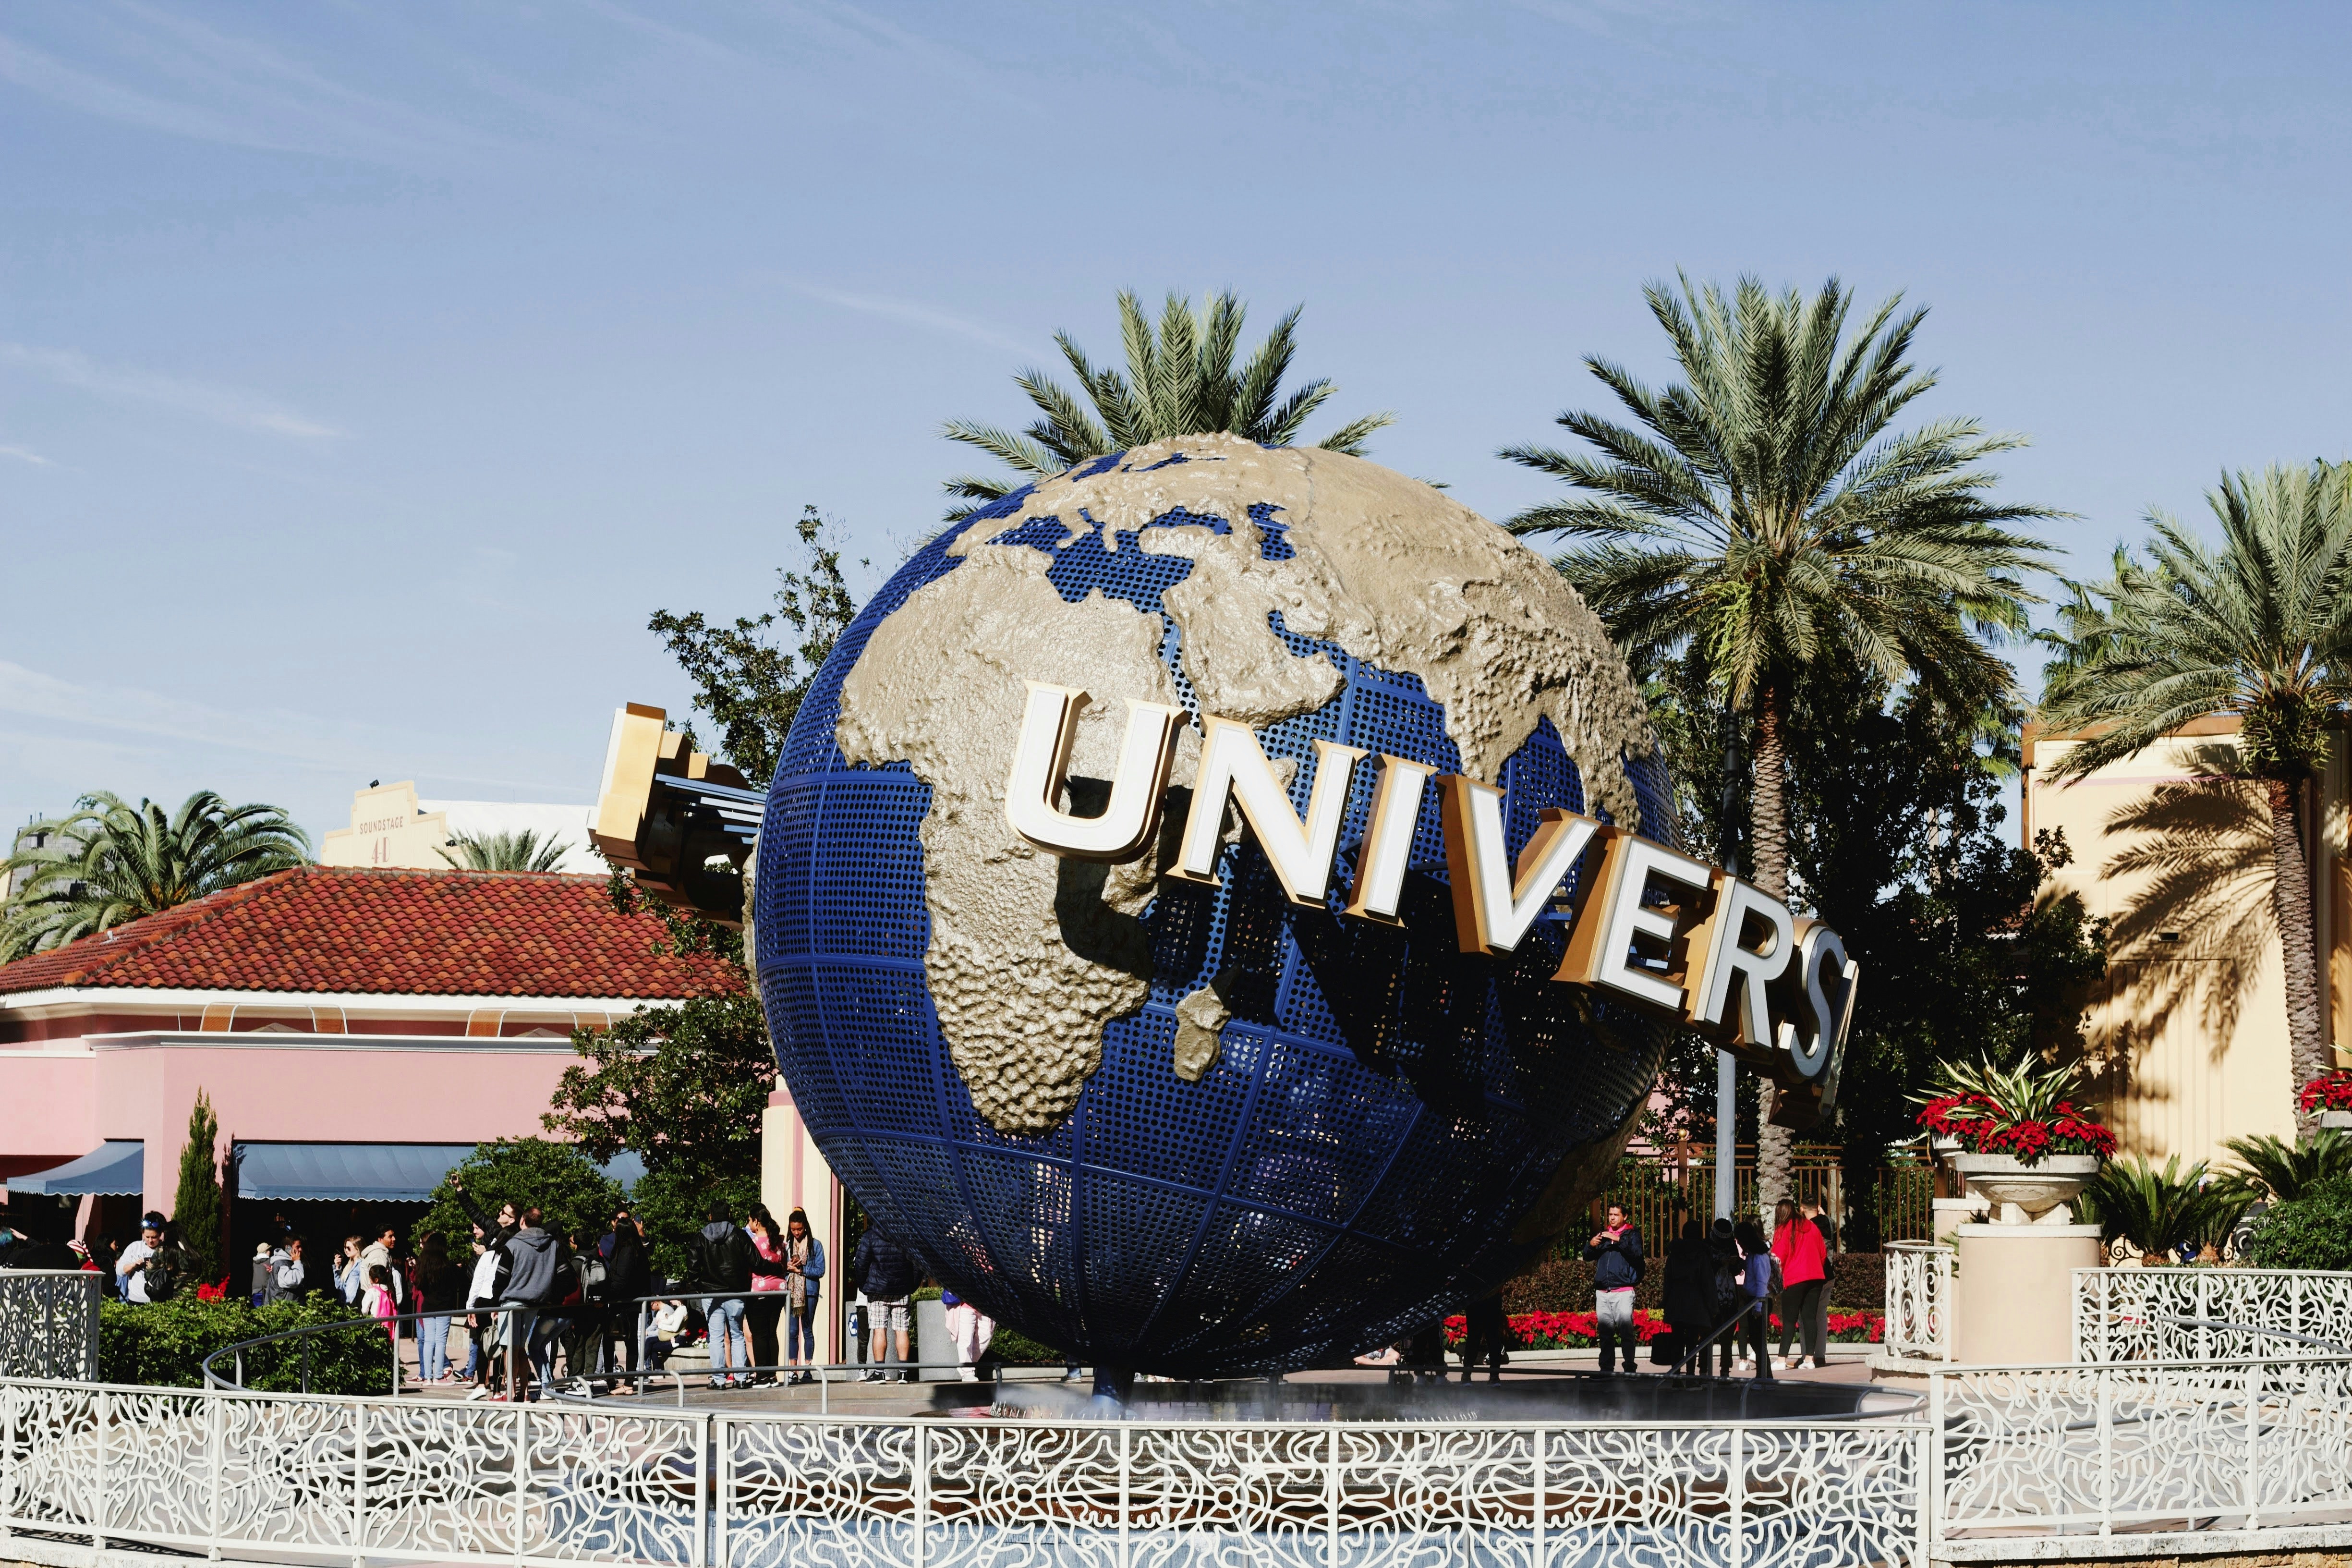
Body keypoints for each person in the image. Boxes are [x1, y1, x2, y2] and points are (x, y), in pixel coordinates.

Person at [496, 1207, 562, 1400]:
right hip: (535, 1302)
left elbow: (501, 1277)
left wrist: (495, 1300)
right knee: (521, 1348)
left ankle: (511, 1392)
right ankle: (524, 1392)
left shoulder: (514, 1243)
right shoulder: (552, 1245)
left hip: (512, 1301)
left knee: (510, 1348)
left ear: (522, 1220)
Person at [691, 1202, 754, 1389]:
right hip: (736, 1291)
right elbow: (755, 1260)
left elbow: (692, 1266)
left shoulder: (701, 1237)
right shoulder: (739, 1235)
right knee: (737, 1335)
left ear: (710, 1216)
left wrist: (699, 1286)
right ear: (729, 1214)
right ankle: (741, 1378)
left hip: (711, 1293)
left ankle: (719, 1380)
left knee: (717, 1337)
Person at [850, 1224, 921, 1383]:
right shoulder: (906, 1233)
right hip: (902, 1288)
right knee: (902, 1330)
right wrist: (912, 1285)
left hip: (877, 1290)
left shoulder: (870, 1235)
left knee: (879, 1330)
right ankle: (903, 1373)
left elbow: (860, 1264)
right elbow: (917, 1262)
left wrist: (865, 1286)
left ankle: (879, 1372)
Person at [1583, 1202, 1644, 1375]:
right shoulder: (1603, 1235)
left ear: (1625, 1217)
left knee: (1626, 1332)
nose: (1612, 1218)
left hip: (1623, 1291)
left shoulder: (1632, 1235)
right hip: (1603, 1293)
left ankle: (1630, 1367)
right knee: (1605, 1333)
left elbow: (1637, 1253)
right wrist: (1591, 1245)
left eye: (1616, 1215)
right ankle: (1606, 1369)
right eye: (1610, 1214)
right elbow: (1587, 1256)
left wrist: (1619, 1240)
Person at [1772, 1198, 1829, 1372]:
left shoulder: (1784, 1229)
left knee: (1790, 1321)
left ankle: (1782, 1360)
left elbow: (1777, 1257)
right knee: (1810, 1318)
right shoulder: (1812, 1227)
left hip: (1794, 1278)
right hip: (1816, 1277)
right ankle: (1809, 1359)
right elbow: (1823, 1253)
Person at [601, 1208, 649, 1395]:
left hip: (623, 1302)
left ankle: (619, 1382)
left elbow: (621, 1279)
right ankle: (627, 1382)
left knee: (612, 1341)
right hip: (632, 1303)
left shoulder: (626, 1252)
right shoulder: (638, 1250)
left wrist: (607, 1294)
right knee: (630, 1342)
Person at [1661, 1218, 1718, 1373]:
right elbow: (1708, 1283)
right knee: (1693, 1342)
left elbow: (1668, 1280)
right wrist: (1713, 1307)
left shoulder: (1674, 1255)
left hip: (1676, 1302)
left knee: (1677, 1341)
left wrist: (1665, 1302)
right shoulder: (1702, 1256)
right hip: (1696, 1305)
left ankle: (1676, 1375)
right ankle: (1691, 1376)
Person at [744, 1206, 789, 1386]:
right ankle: (772, 1374)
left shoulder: (753, 1243)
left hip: (759, 1291)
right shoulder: (779, 1242)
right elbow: (784, 1264)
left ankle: (762, 1375)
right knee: (772, 1333)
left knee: (759, 1335)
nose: (749, 1225)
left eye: (750, 1221)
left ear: (756, 1221)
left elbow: (749, 1268)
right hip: (778, 1291)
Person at [781, 1207, 826, 1385]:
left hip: (810, 1292)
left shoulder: (816, 1246)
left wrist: (801, 1270)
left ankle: (807, 1369)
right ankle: (793, 1370)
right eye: (793, 1229)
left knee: (807, 1330)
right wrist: (788, 1267)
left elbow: (820, 1270)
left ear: (805, 1227)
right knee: (792, 1332)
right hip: (791, 1293)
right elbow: (780, 1268)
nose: (796, 1233)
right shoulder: (786, 1246)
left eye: (799, 1229)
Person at [415, 1233, 461, 1383]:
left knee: (429, 1341)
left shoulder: (423, 1263)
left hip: (427, 1306)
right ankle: (438, 1376)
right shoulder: (446, 1264)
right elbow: (455, 1285)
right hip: (444, 1307)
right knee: (440, 1341)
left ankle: (427, 1377)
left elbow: (419, 1285)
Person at [1733, 1218, 1774, 1381]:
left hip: (1760, 1302)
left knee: (1758, 1342)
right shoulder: (1751, 1256)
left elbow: (1761, 1284)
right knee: (1756, 1342)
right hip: (1754, 1301)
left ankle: (1766, 1377)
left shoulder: (1759, 1257)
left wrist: (1758, 1308)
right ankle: (1763, 1376)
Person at [115, 1214, 168, 1304]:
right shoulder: (134, 1247)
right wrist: (133, 1266)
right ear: (143, 1233)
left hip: (159, 1301)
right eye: (147, 1237)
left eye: (154, 1237)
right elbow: (119, 1271)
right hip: (136, 1300)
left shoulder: (166, 1249)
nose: (150, 1240)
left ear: (160, 1235)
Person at [643, 1299, 690, 1376]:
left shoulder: (682, 1310)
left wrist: (661, 1325)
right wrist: (662, 1321)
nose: (670, 1301)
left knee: (651, 1347)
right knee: (650, 1342)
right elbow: (670, 1321)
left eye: (672, 1299)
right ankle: (653, 1368)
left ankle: (654, 1370)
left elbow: (675, 1328)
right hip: (671, 1337)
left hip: (677, 1339)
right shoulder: (679, 1309)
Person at [264, 1238, 306, 1304]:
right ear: (288, 1248)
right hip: (283, 1310)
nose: (300, 1250)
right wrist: (298, 1262)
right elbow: (294, 1281)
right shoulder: (282, 1264)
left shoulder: (288, 1262)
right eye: (298, 1247)